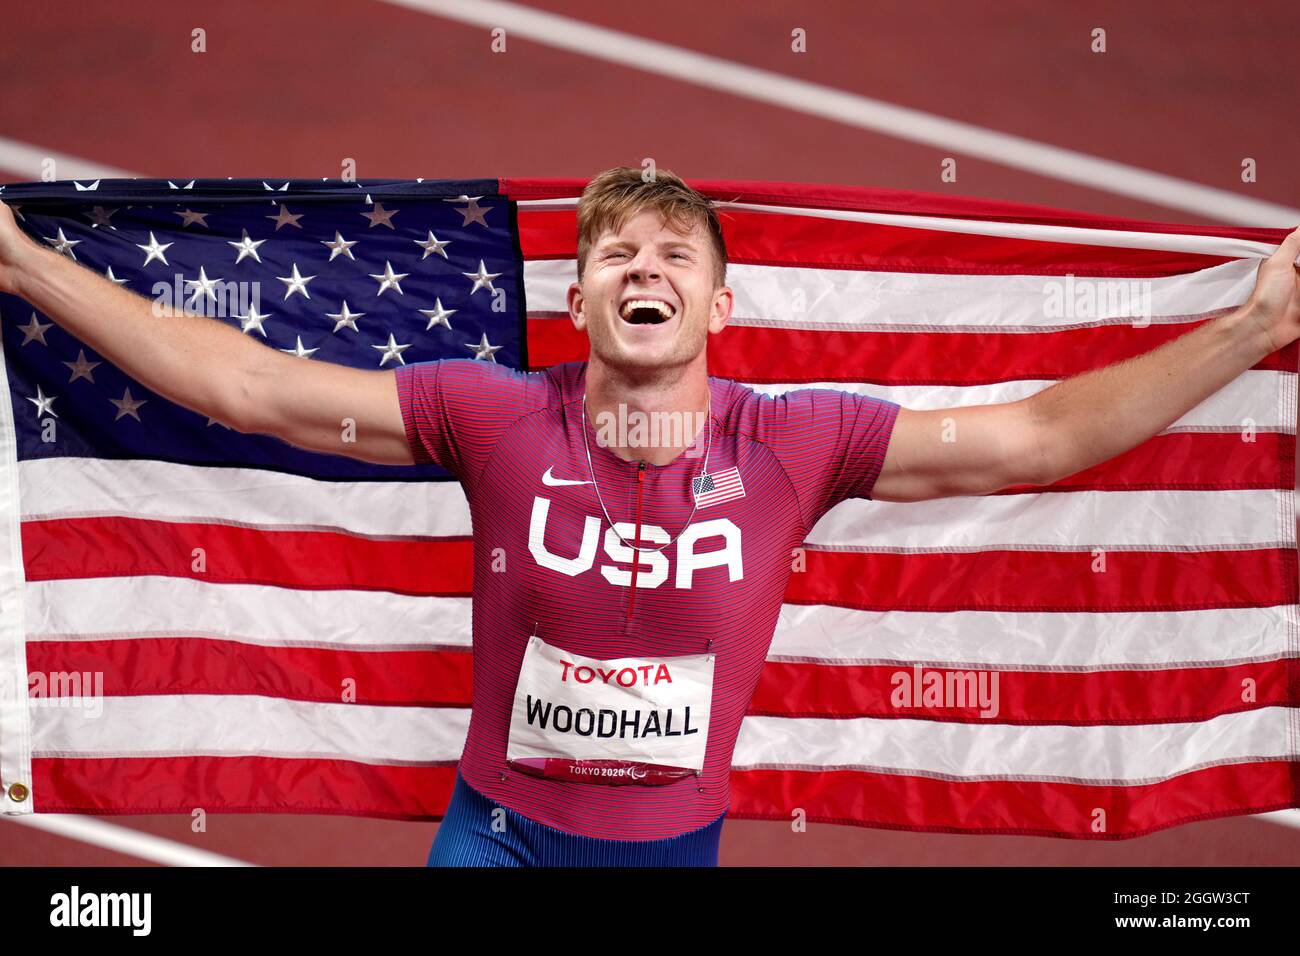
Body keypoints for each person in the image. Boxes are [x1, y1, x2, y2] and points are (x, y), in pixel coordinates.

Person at [1, 167, 1297, 867]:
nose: (647, 268)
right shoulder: (491, 415)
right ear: (582, 297)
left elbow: (1041, 436)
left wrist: (1253, 325)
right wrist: (20, 260)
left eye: (677, 254)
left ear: (720, 309)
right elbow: (249, 383)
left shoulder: (798, 439)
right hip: (493, 842)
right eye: (619, 252)